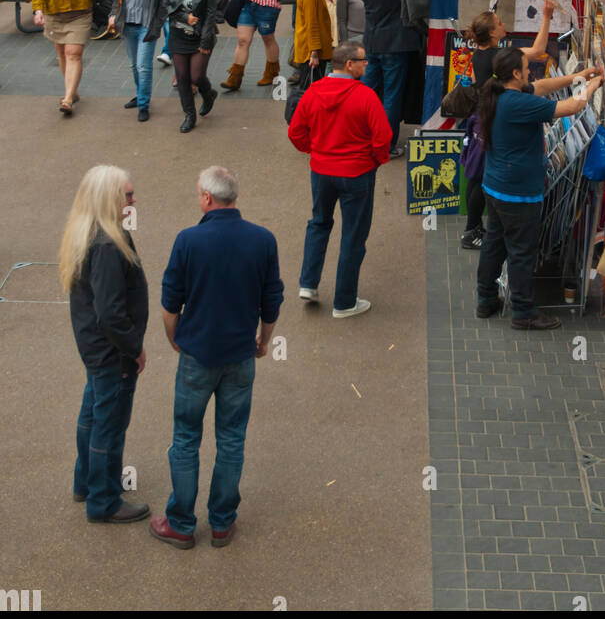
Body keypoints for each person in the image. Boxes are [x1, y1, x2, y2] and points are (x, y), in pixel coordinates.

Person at [150, 167, 284, 548]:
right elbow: (271, 300)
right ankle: (222, 521)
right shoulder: (262, 240)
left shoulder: (189, 240)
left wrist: (174, 337)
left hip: (197, 356)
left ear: (207, 198)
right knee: (231, 439)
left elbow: (169, 301)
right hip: (239, 357)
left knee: (186, 437)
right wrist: (263, 340)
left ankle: (181, 523)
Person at [475, 48, 604, 331]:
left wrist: (576, 76)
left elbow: (541, 87)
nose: (531, 72)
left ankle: (485, 300)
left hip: (495, 186)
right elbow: (570, 108)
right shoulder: (517, 104)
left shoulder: (500, 93)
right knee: (521, 252)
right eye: (526, 67)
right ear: (515, 74)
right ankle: (523, 312)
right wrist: (593, 85)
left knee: (494, 243)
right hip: (517, 194)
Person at [61, 165, 149, 523]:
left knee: (92, 414)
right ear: (109, 199)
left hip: (93, 349)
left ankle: (85, 482)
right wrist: (135, 349)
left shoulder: (88, 231)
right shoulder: (109, 245)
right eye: (127, 195)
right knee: (109, 424)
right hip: (112, 352)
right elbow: (111, 313)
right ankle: (104, 500)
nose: (133, 199)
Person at [288, 40, 391, 317]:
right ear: (349, 65)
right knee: (353, 236)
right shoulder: (366, 96)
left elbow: (296, 132)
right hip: (357, 174)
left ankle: (308, 283)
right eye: (363, 60)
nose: (366, 64)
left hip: (321, 171)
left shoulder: (313, 92)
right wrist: (375, 161)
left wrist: (315, 151)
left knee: (319, 223)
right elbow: (383, 137)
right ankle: (344, 302)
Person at [460, 0, 556, 250]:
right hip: (487, 120)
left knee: (475, 177)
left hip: (480, 118)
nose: (504, 25)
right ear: (492, 32)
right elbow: (537, 50)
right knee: (479, 178)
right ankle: (471, 231)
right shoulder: (498, 57)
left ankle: (473, 228)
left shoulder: (481, 54)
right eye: (499, 23)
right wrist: (546, 16)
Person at [359, 0, 424, 160]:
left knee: (366, 91)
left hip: (371, 41)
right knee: (392, 96)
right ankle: (386, 145)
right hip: (396, 45)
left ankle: (359, 136)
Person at [150, 0, 218, 133]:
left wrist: (205, 41)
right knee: (182, 78)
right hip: (178, 36)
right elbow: (165, 6)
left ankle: (208, 94)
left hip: (200, 36)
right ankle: (190, 114)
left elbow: (211, 14)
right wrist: (184, 17)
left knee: (196, 76)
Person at [109, 0, 166, 121]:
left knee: (144, 66)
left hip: (147, 25)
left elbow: (163, 2)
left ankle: (143, 104)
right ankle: (140, 93)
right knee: (134, 65)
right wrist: (112, 14)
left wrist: (158, 24)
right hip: (128, 23)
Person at [293, 0, 333, 88]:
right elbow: (312, 23)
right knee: (311, 90)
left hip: (312, 49)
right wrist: (314, 52)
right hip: (311, 52)